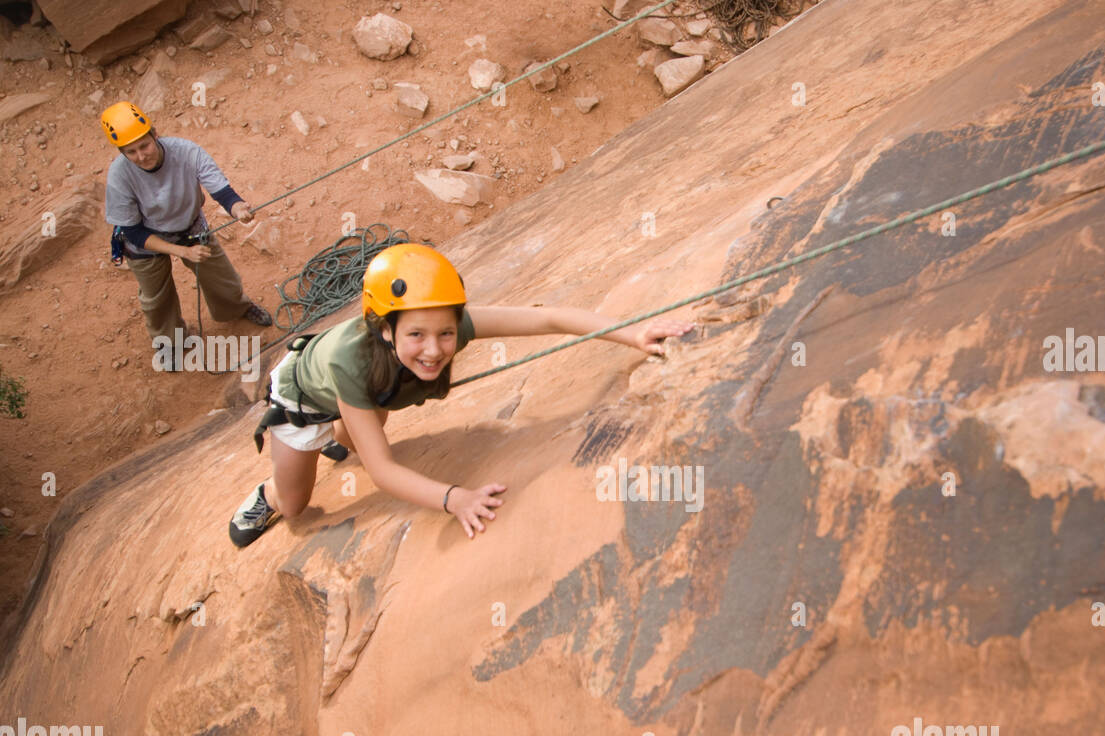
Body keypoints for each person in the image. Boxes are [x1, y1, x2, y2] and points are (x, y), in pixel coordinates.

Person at [229, 243, 694, 547]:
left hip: (361, 386)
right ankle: (267, 494)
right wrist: (456, 500)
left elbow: (547, 319)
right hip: (300, 399)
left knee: (362, 428)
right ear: (385, 329)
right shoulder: (347, 363)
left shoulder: (440, 325)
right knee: (297, 504)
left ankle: (342, 432)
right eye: (417, 335)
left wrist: (634, 334)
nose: (434, 351)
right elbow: (384, 471)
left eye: (445, 334)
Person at [100, 100, 272, 367]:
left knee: (221, 277)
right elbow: (132, 231)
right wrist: (181, 251)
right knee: (156, 298)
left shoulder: (185, 151)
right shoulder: (120, 175)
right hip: (146, 241)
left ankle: (237, 307)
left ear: (155, 134)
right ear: (122, 152)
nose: (141, 156)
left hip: (189, 227)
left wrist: (236, 207)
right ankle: (170, 343)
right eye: (131, 152)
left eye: (144, 145)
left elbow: (217, 185)